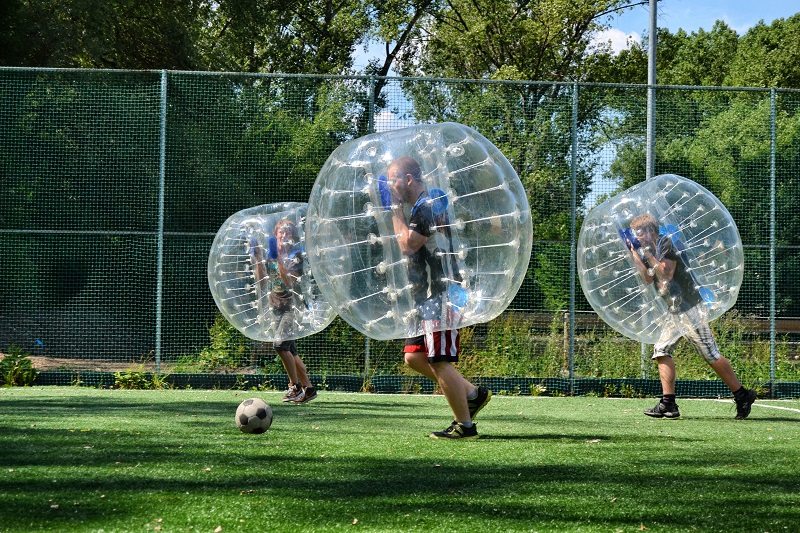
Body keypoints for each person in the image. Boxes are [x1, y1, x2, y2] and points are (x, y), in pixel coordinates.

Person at [384, 156, 491, 439]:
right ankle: (470, 393)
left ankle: (465, 426)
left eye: (393, 179)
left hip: (443, 293)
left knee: (438, 360)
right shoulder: (421, 206)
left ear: (408, 179)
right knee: (414, 357)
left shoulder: (428, 204)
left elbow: (408, 245)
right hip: (428, 295)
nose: (390, 186)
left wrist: (394, 210)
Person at [626, 213, 756, 419]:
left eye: (639, 233)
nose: (637, 236)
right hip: (674, 310)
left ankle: (742, 394)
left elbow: (665, 273)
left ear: (651, 231)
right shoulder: (648, 250)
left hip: (690, 308)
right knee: (661, 350)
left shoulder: (666, 244)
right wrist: (634, 252)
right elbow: (648, 279)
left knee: (710, 355)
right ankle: (668, 404)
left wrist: (646, 254)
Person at [251, 218, 317, 404]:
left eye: (287, 231)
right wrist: (257, 259)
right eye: (280, 231)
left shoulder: (296, 256)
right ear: (275, 234)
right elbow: (262, 281)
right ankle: (309, 389)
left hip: (292, 308)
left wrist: (279, 259)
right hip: (276, 307)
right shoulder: (270, 255)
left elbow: (290, 283)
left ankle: (294, 386)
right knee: (291, 352)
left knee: (280, 345)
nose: (283, 234)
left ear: (292, 235)